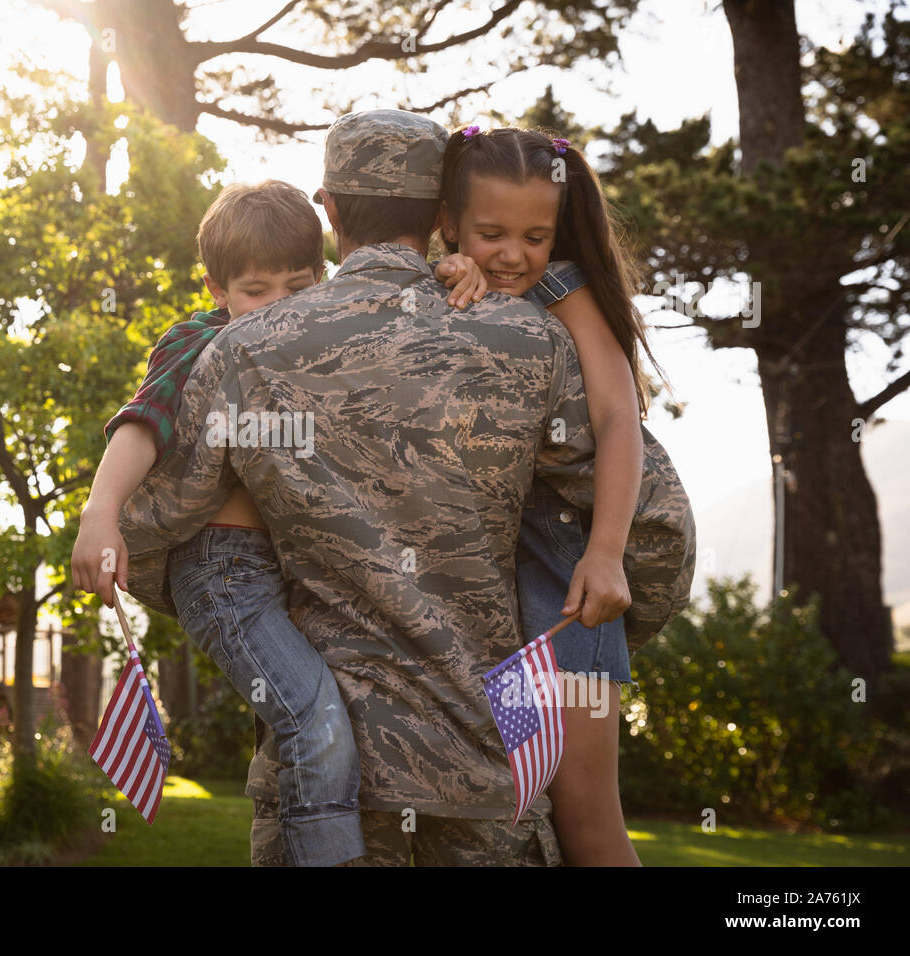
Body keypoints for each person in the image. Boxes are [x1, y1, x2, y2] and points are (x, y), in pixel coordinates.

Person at [115, 108, 696, 866]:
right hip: (487, 779)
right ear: (441, 215)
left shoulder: (243, 351)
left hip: (323, 796)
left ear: (327, 208)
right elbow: (657, 525)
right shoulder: (532, 340)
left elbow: (152, 526)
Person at [70, 179, 494, 866]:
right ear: (216, 290)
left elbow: (404, 341)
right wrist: (100, 513)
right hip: (223, 573)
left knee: (333, 721)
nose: (277, 308)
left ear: (322, 276)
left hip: (299, 571)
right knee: (315, 722)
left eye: (297, 288)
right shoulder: (202, 340)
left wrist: (450, 269)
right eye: (255, 292)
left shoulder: (322, 342)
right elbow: (140, 426)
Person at [437, 124, 670, 864]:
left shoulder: (560, 289)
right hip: (499, 584)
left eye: (536, 235)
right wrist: (447, 274)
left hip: (569, 579)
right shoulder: (436, 282)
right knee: (525, 809)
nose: (514, 255)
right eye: (491, 234)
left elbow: (618, 417)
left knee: (586, 816)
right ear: (449, 222)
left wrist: (606, 555)